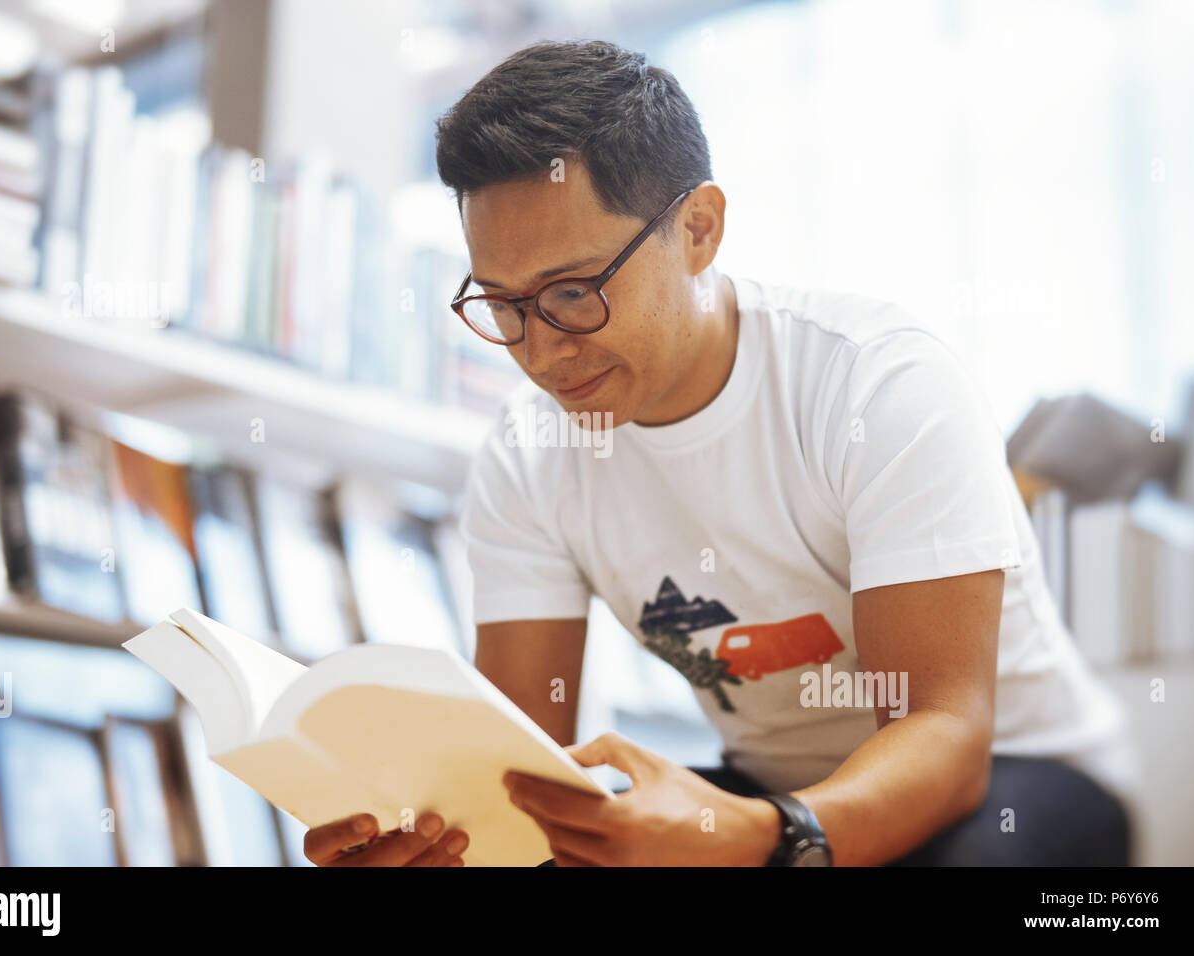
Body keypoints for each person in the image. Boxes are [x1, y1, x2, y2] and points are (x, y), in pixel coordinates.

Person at [303, 39, 1138, 868]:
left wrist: (763, 836)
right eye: (503, 305)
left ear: (699, 229)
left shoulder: (878, 384)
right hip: (771, 787)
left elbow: (944, 737)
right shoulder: (529, 455)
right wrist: (436, 846)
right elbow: (519, 775)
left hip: (1016, 781)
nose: (541, 353)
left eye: (572, 293)